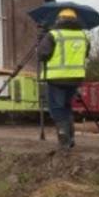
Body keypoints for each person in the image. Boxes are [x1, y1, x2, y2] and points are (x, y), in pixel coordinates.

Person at [39, 8, 89, 151]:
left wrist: (42, 39)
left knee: (57, 109)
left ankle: (64, 141)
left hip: (56, 78)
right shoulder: (83, 36)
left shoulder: (53, 34)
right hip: (75, 78)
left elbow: (42, 55)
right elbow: (85, 54)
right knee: (67, 106)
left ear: (59, 19)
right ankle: (70, 138)